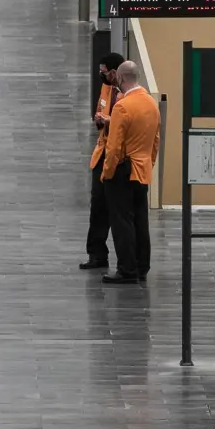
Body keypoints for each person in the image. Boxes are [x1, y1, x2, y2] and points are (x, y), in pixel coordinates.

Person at [100, 61, 159, 284]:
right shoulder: (151, 104)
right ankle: (142, 266)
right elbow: (155, 140)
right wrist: (148, 163)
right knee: (140, 220)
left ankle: (126, 268)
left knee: (122, 221)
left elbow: (114, 147)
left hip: (123, 170)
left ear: (121, 79)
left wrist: (107, 172)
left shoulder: (122, 107)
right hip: (142, 169)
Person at [79, 53, 125, 270]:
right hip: (102, 153)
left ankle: (127, 260)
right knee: (97, 205)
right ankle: (97, 254)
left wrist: (111, 120)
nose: (101, 75)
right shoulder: (106, 89)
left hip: (120, 157)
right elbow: (100, 109)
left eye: (104, 71)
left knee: (118, 209)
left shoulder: (129, 93)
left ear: (115, 72)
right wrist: (99, 119)